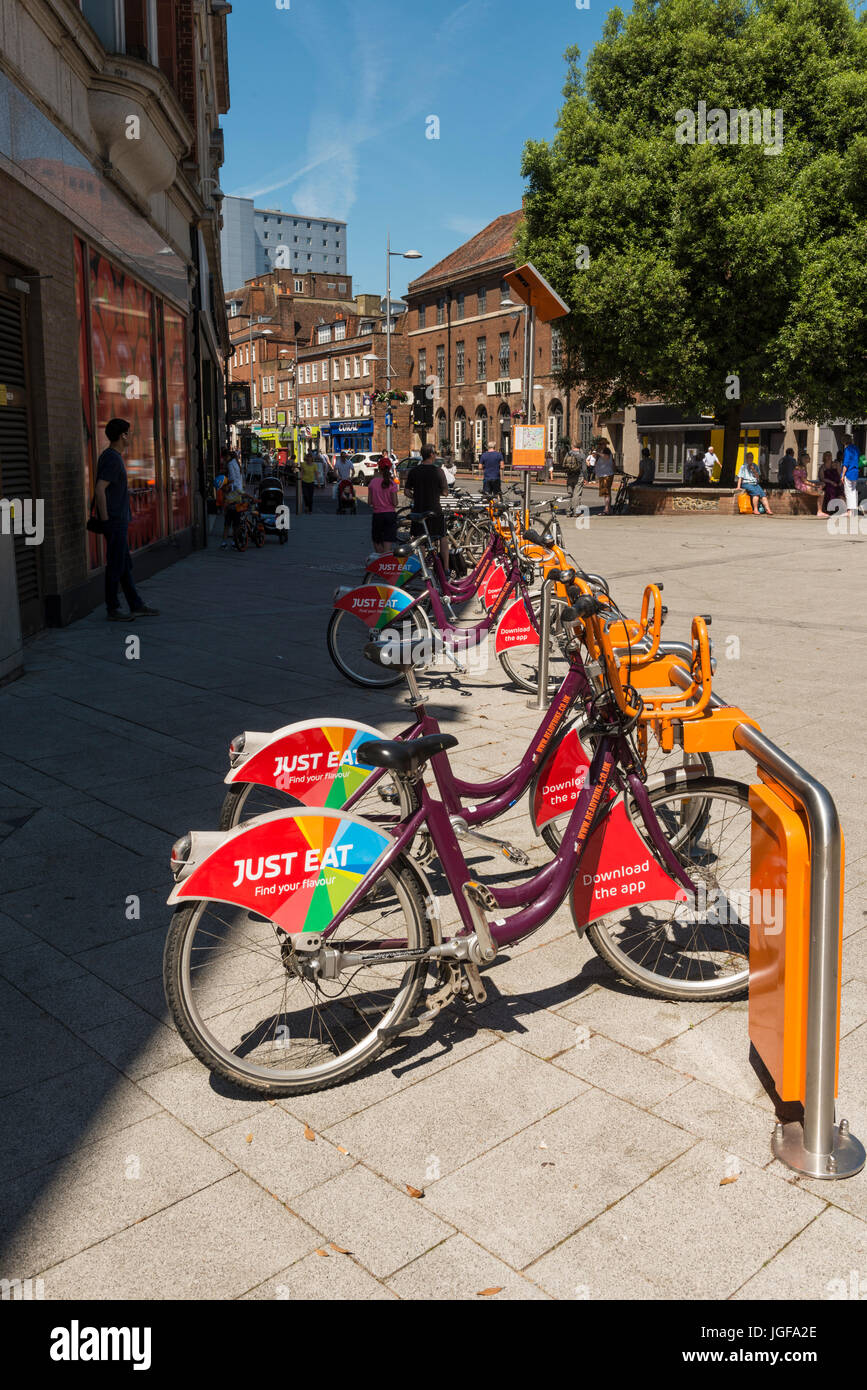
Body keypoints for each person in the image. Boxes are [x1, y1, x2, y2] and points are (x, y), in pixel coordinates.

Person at [94, 418, 159, 620]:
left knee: (123, 565)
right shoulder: (112, 458)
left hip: (117, 518)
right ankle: (112, 609)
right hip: (114, 520)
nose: (130, 436)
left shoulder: (111, 456)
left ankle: (135, 604)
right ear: (122, 435)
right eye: (129, 433)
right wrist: (106, 522)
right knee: (115, 565)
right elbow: (99, 489)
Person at [405, 444, 449, 568]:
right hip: (434, 509)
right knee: (442, 537)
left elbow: (406, 491)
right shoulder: (438, 471)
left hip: (418, 510)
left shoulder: (414, 471)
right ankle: (445, 568)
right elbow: (445, 492)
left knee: (420, 540)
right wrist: (436, 492)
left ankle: (422, 568)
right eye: (434, 453)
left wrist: (416, 496)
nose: (435, 456)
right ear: (431, 454)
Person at [368, 457, 399, 553]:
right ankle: (386, 559)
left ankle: (381, 559)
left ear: (379, 468)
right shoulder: (392, 484)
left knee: (376, 540)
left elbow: (369, 502)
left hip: (378, 515)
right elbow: (395, 503)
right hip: (390, 515)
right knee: (387, 541)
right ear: (389, 468)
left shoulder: (373, 482)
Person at [220, 447, 245, 548]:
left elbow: (232, 479)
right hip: (239, 492)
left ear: (226, 457)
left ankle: (224, 542)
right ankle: (235, 541)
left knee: (228, 521)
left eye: (224, 458)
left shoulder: (230, 464)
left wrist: (227, 485)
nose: (223, 460)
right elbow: (238, 478)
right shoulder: (235, 462)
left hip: (233, 493)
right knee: (236, 521)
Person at [564, 444, 587, 515]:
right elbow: (584, 468)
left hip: (570, 476)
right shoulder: (582, 455)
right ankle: (576, 511)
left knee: (570, 493)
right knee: (577, 494)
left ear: (573, 446)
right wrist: (586, 478)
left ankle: (568, 511)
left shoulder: (568, 453)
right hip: (579, 476)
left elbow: (564, 464)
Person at [819, 450, 843, 518]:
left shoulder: (836, 464)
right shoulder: (822, 467)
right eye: (827, 455)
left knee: (840, 490)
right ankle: (831, 509)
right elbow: (822, 478)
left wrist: (840, 482)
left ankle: (840, 508)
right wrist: (831, 482)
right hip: (829, 483)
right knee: (830, 489)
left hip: (837, 483)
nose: (829, 457)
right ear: (824, 457)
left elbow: (840, 474)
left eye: (830, 455)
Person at [841, 434, 860, 516]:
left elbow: (846, 463)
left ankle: (849, 511)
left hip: (849, 472)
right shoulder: (856, 448)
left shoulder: (847, 450)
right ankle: (854, 510)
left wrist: (842, 475)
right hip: (855, 472)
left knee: (848, 491)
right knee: (853, 491)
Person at [594, 443, 615, 514]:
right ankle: (608, 508)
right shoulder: (601, 454)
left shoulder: (606, 451)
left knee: (606, 493)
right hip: (603, 475)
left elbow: (606, 457)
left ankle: (606, 510)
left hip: (606, 475)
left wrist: (598, 453)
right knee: (607, 493)